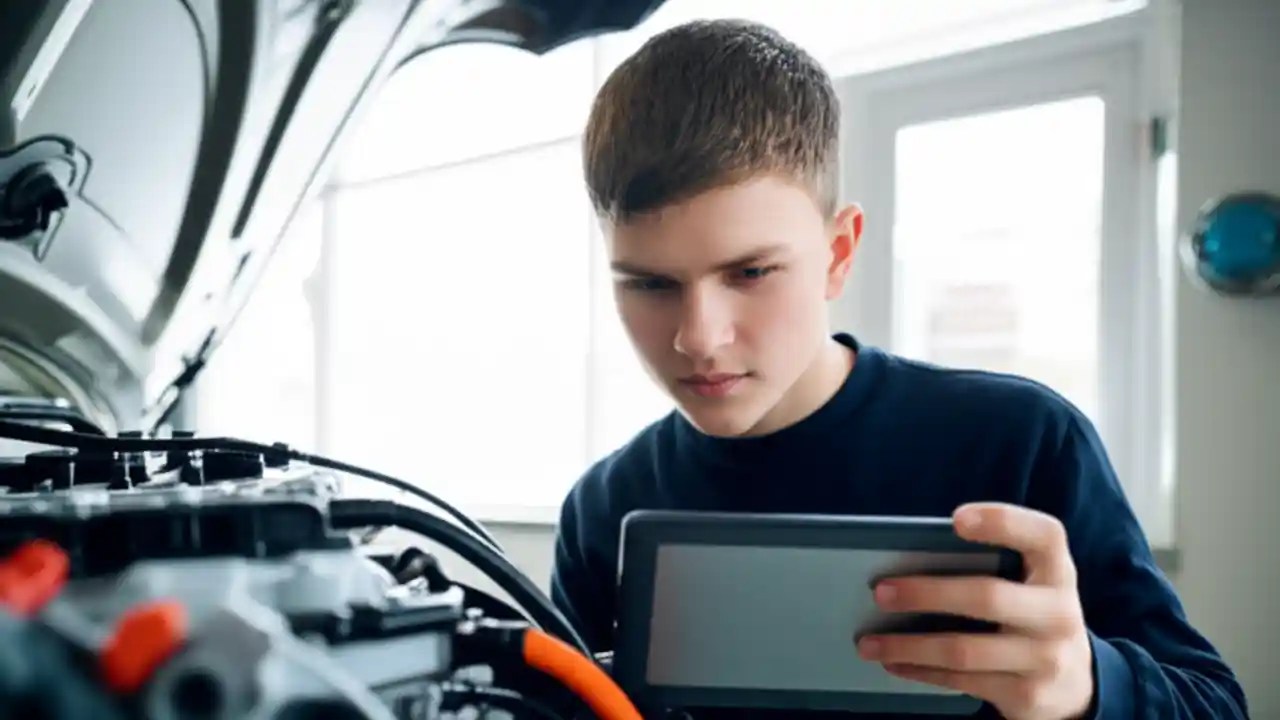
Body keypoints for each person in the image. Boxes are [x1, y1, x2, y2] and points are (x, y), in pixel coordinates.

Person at [549, 18, 1246, 720]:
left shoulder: (1022, 441)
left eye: (752, 271)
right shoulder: (601, 508)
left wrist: (1091, 687)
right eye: (648, 285)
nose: (698, 339)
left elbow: (1217, 706)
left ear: (840, 251)